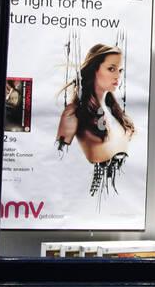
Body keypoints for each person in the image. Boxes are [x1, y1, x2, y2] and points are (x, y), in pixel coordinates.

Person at [56, 43, 134, 199]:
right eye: (111, 69)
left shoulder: (115, 111)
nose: (117, 76)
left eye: (120, 70)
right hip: (95, 195)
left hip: (124, 195)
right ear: (94, 70)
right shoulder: (74, 112)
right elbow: (60, 159)